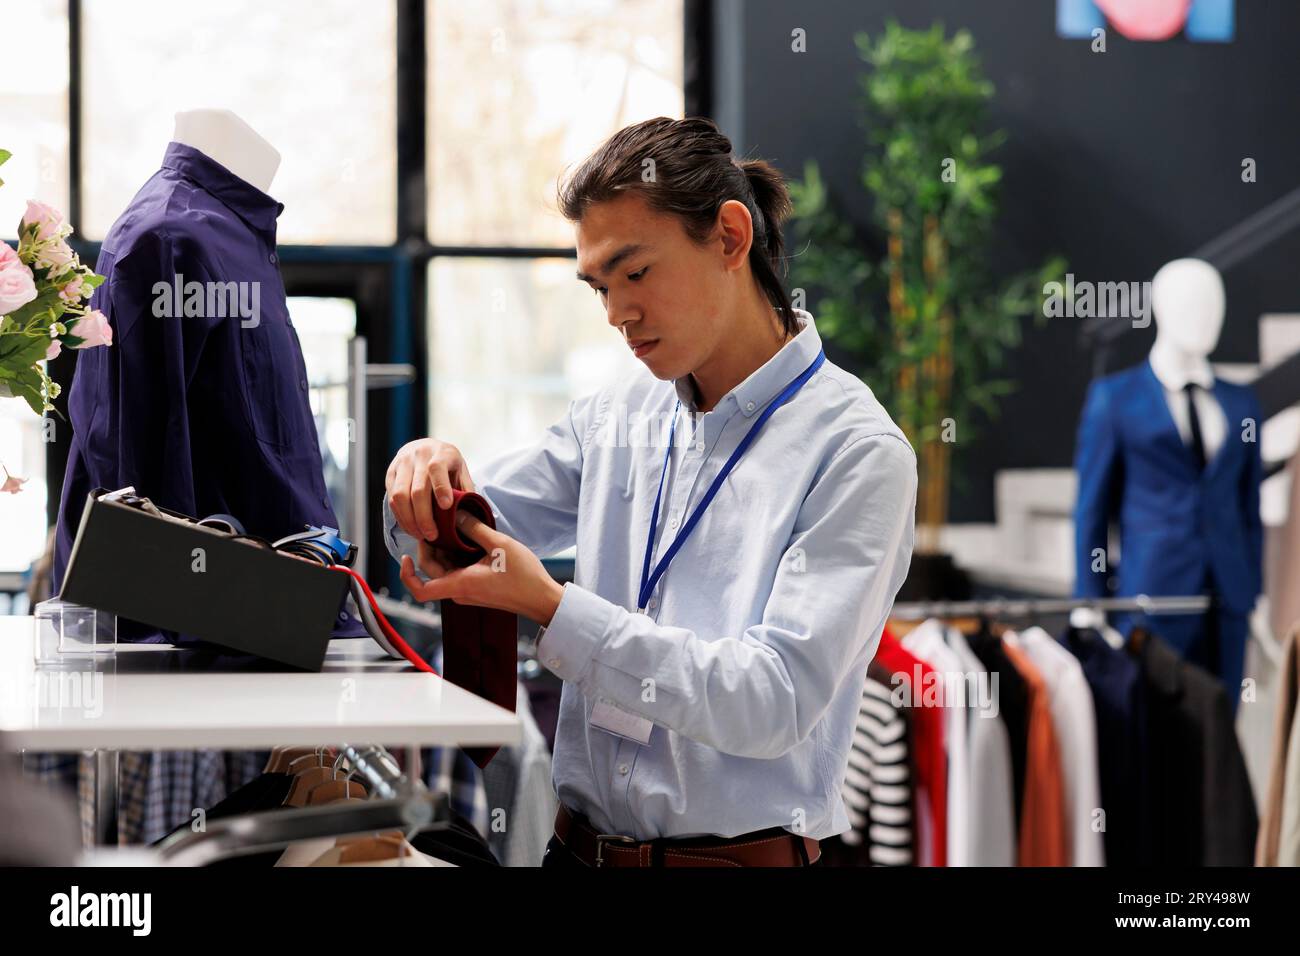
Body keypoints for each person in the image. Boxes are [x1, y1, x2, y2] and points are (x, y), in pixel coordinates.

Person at [383, 116, 917, 867]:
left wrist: (552, 607)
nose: (615, 314)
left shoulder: (856, 452)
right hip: (572, 854)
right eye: (599, 285)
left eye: (635, 274)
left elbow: (772, 701)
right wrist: (423, 473)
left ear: (731, 238)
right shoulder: (618, 415)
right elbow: (456, 521)